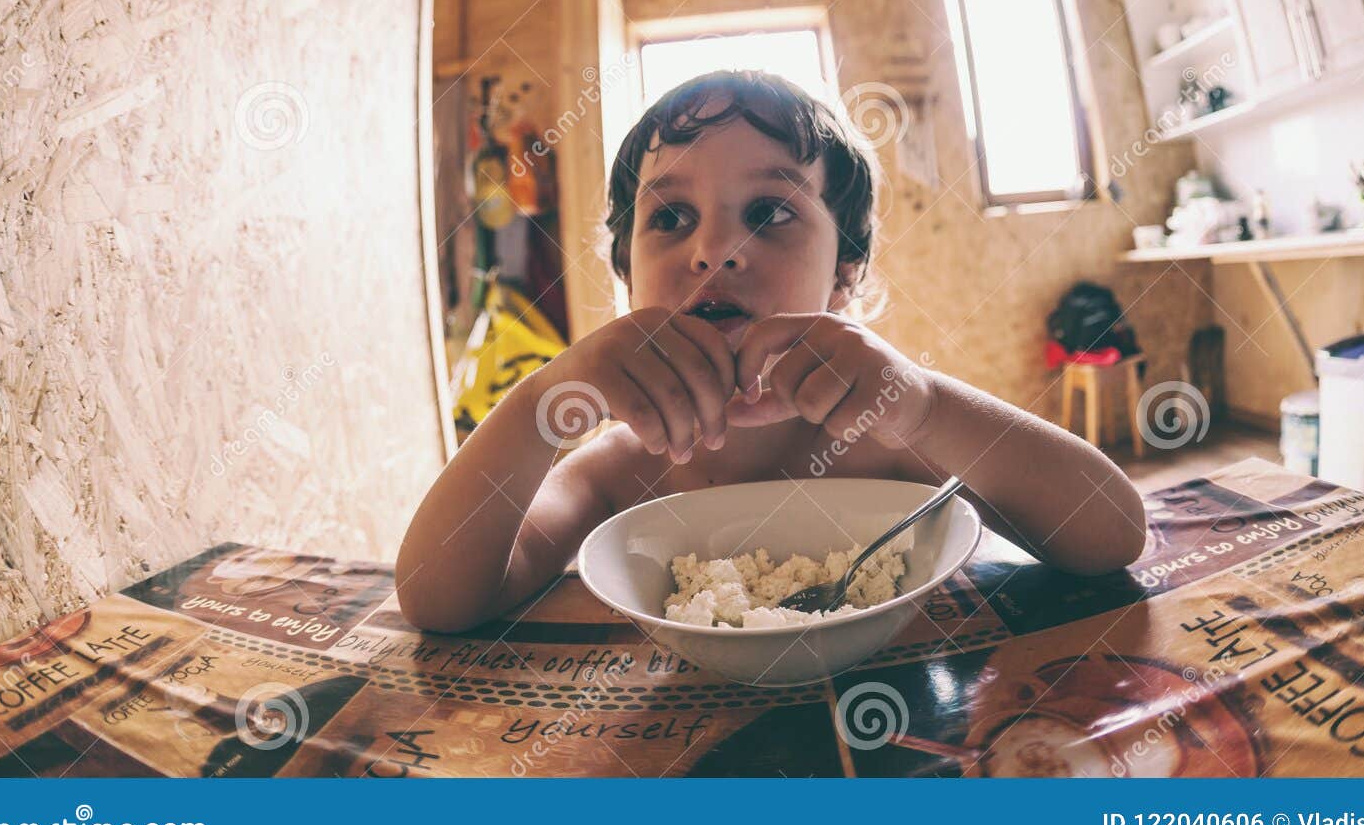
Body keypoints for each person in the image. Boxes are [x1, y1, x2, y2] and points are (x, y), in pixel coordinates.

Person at [396, 70, 1147, 632]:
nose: (715, 248)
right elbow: (438, 599)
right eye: (672, 217)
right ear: (625, 273)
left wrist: (922, 402)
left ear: (845, 272)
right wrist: (541, 404)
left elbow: (1112, 533)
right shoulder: (616, 469)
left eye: (769, 212)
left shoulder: (889, 440)